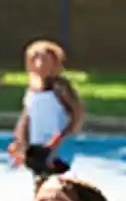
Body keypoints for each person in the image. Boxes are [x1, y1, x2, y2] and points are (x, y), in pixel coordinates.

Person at [10, 40, 86, 189]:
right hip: (35, 145)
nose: (39, 63)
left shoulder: (60, 87)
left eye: (44, 59)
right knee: (39, 184)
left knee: (57, 185)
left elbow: (76, 113)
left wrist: (64, 137)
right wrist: (19, 141)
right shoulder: (32, 89)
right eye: (35, 59)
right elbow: (27, 117)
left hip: (57, 146)